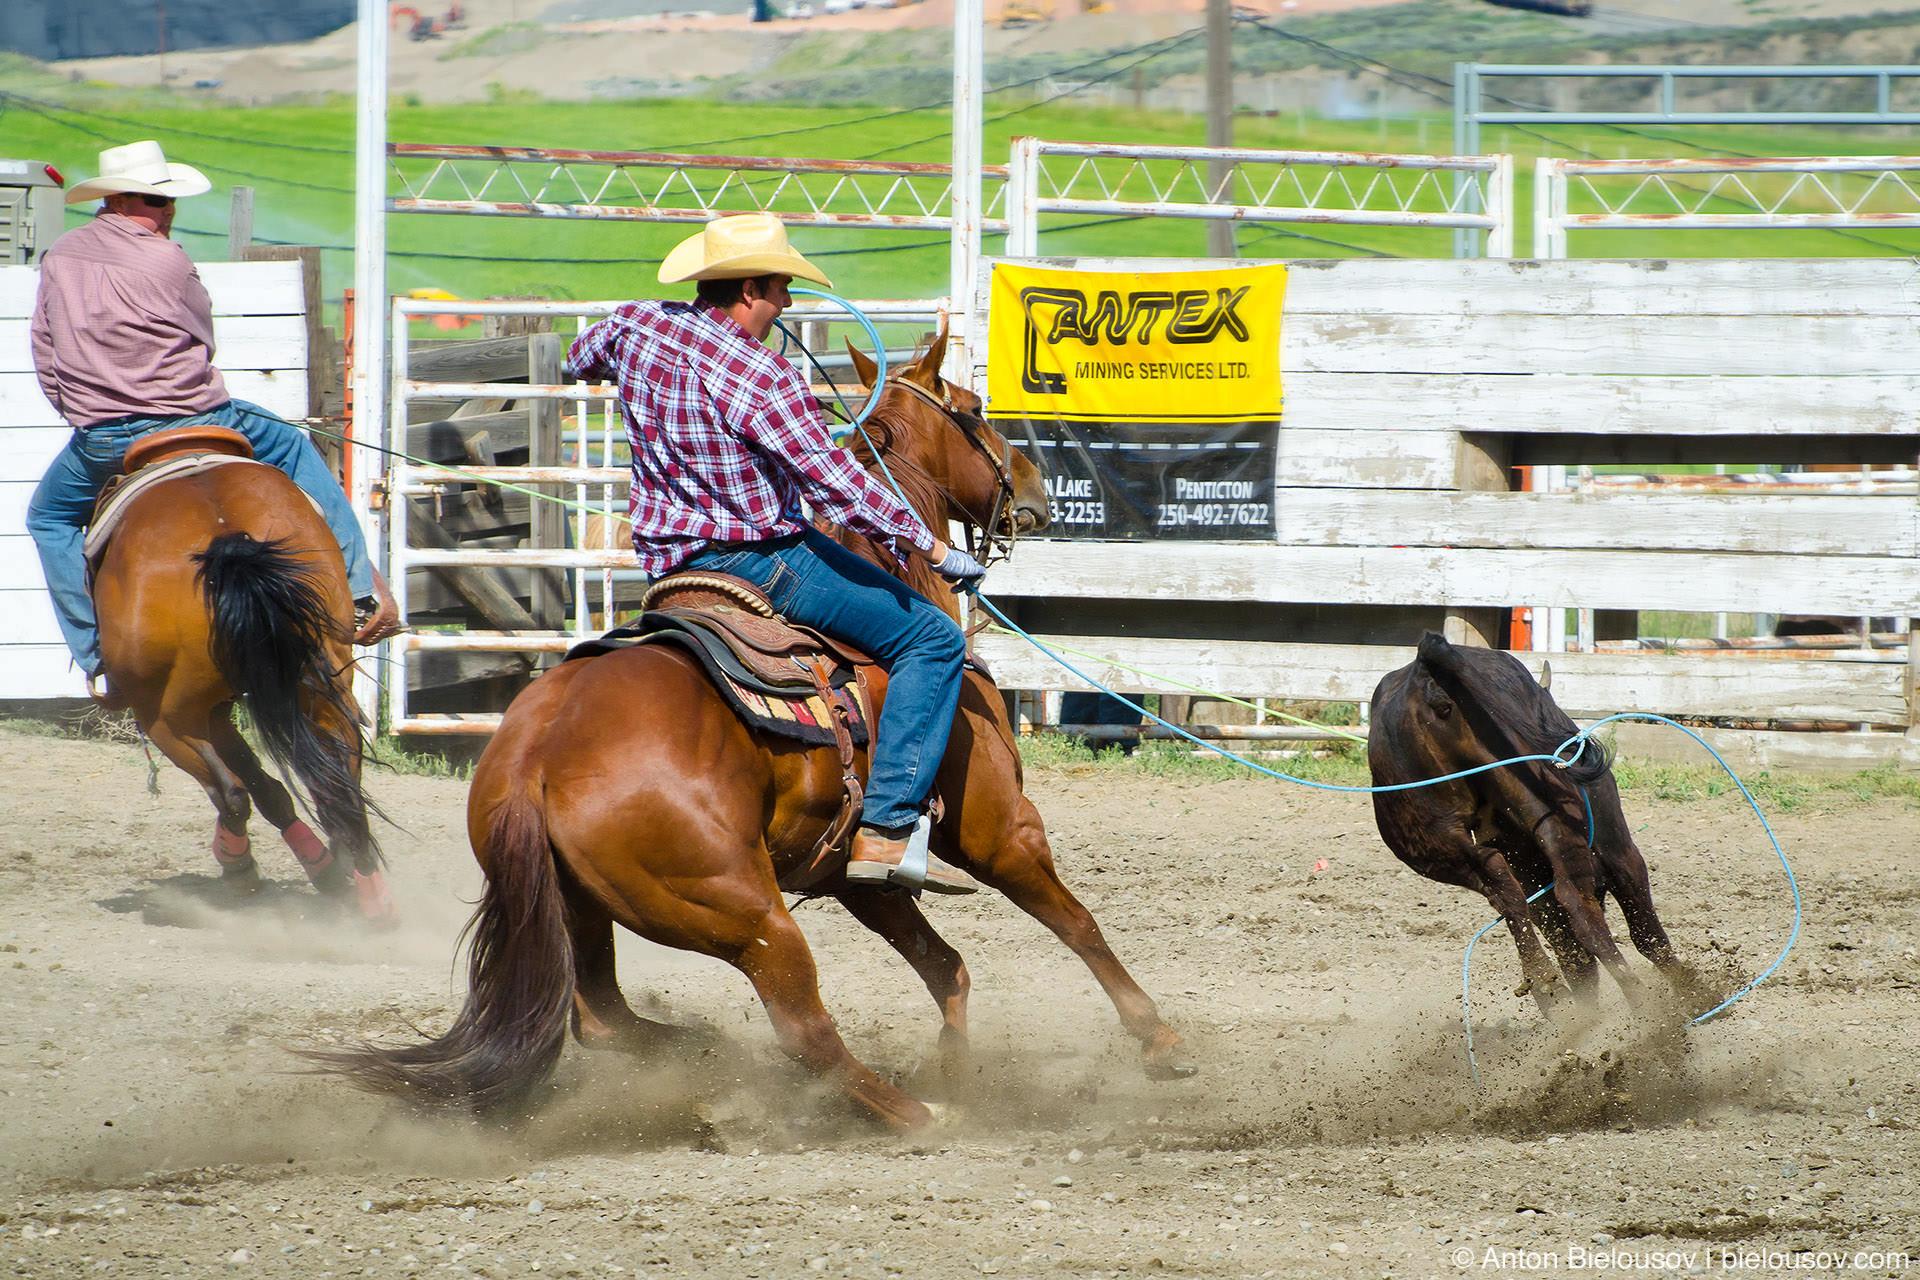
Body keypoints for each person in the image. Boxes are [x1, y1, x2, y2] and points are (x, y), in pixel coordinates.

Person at [566, 212, 987, 895]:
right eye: (783, 287)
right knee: (932, 639)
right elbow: (837, 481)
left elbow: (577, 358)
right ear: (752, 288)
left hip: (670, 567)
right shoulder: (764, 377)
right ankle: (886, 828)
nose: (788, 302)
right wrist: (933, 547)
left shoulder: (636, 325)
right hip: (761, 561)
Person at [26, 141, 399, 701]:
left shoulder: (60, 257)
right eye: (156, 199)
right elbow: (202, 335)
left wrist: (80, 408)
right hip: (199, 414)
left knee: (50, 520)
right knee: (294, 446)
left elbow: (45, 348)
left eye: (167, 198)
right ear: (121, 199)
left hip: (102, 437)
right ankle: (360, 587)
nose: (168, 209)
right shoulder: (168, 260)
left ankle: (96, 655)